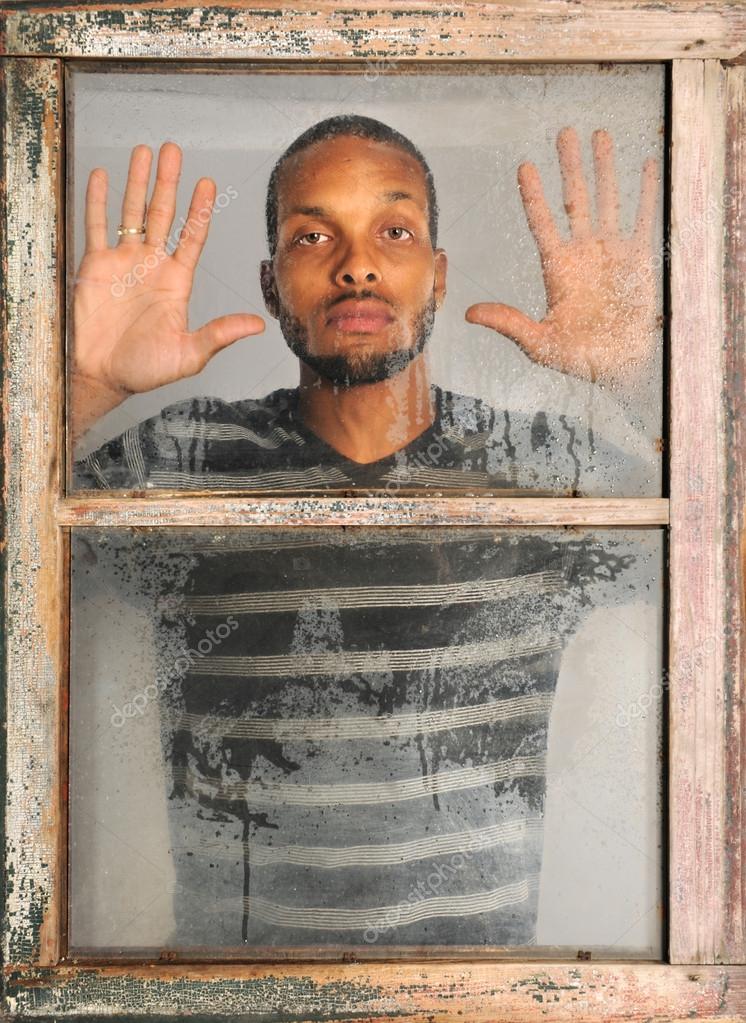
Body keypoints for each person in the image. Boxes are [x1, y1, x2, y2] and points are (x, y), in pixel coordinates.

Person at [70, 116, 661, 950]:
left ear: (438, 276)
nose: (357, 264)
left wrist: (643, 382)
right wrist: (82, 388)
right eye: (314, 235)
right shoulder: (186, 458)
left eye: (394, 229)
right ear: (272, 284)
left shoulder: (540, 468)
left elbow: (724, 564)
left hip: (478, 1006)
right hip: (231, 1002)